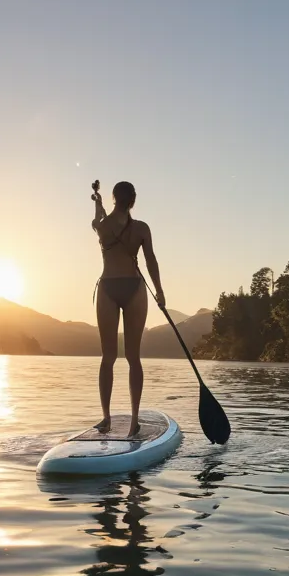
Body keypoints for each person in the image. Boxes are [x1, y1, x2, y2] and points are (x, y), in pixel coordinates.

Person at [91, 180, 165, 438]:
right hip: (136, 289)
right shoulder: (142, 228)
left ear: (114, 199)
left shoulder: (102, 226)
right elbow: (151, 260)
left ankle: (107, 419)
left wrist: (99, 205)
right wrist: (160, 292)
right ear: (133, 200)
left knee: (108, 357)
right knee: (133, 358)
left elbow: (99, 222)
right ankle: (133, 420)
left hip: (108, 289)